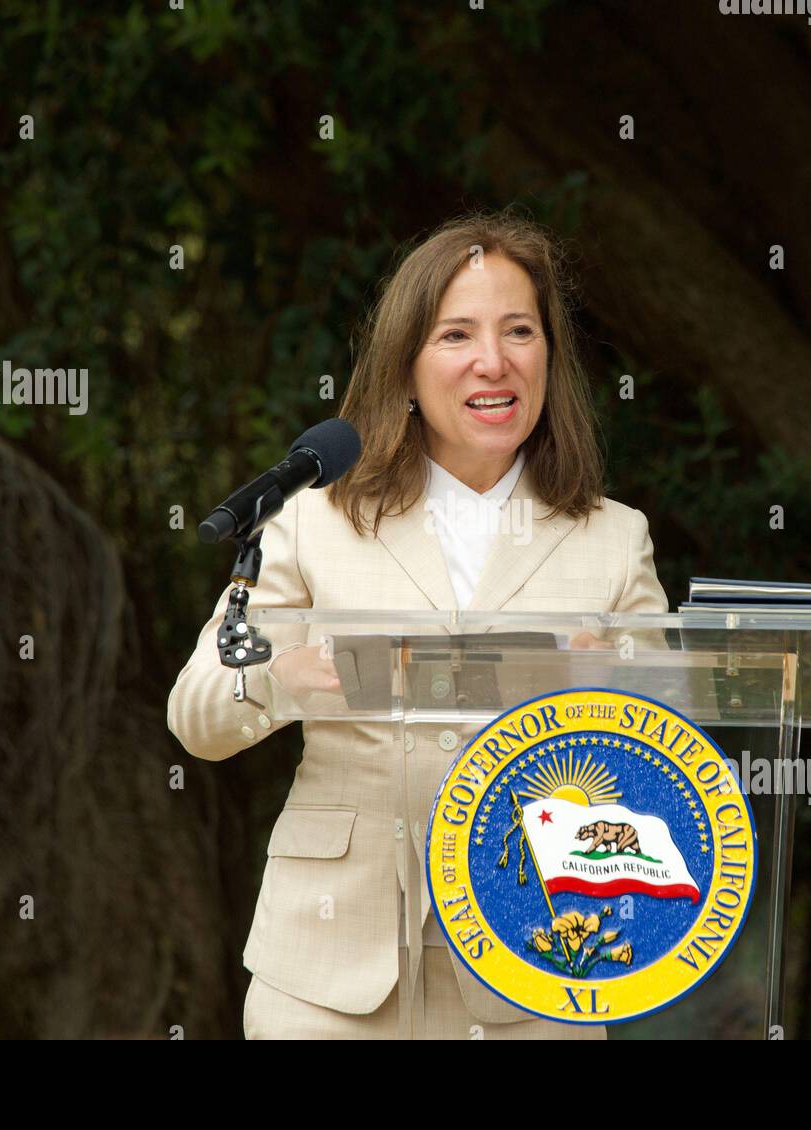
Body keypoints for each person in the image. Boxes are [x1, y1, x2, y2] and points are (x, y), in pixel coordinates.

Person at [167, 208, 669, 1039]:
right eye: (456, 335)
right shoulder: (309, 519)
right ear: (404, 366)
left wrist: (616, 702)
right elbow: (197, 717)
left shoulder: (614, 539)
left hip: (539, 972)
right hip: (328, 981)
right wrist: (276, 680)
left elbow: (665, 772)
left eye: (519, 331)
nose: (493, 361)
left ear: (550, 357)